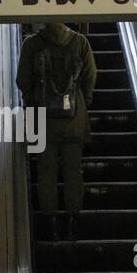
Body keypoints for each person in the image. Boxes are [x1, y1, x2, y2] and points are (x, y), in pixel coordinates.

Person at [16, 22, 97, 241]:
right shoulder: (81, 42)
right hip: (74, 120)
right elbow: (90, 77)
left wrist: (34, 103)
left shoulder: (32, 44)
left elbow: (22, 80)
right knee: (73, 172)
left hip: (43, 121)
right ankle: (72, 224)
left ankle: (50, 225)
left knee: (46, 173)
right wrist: (83, 101)